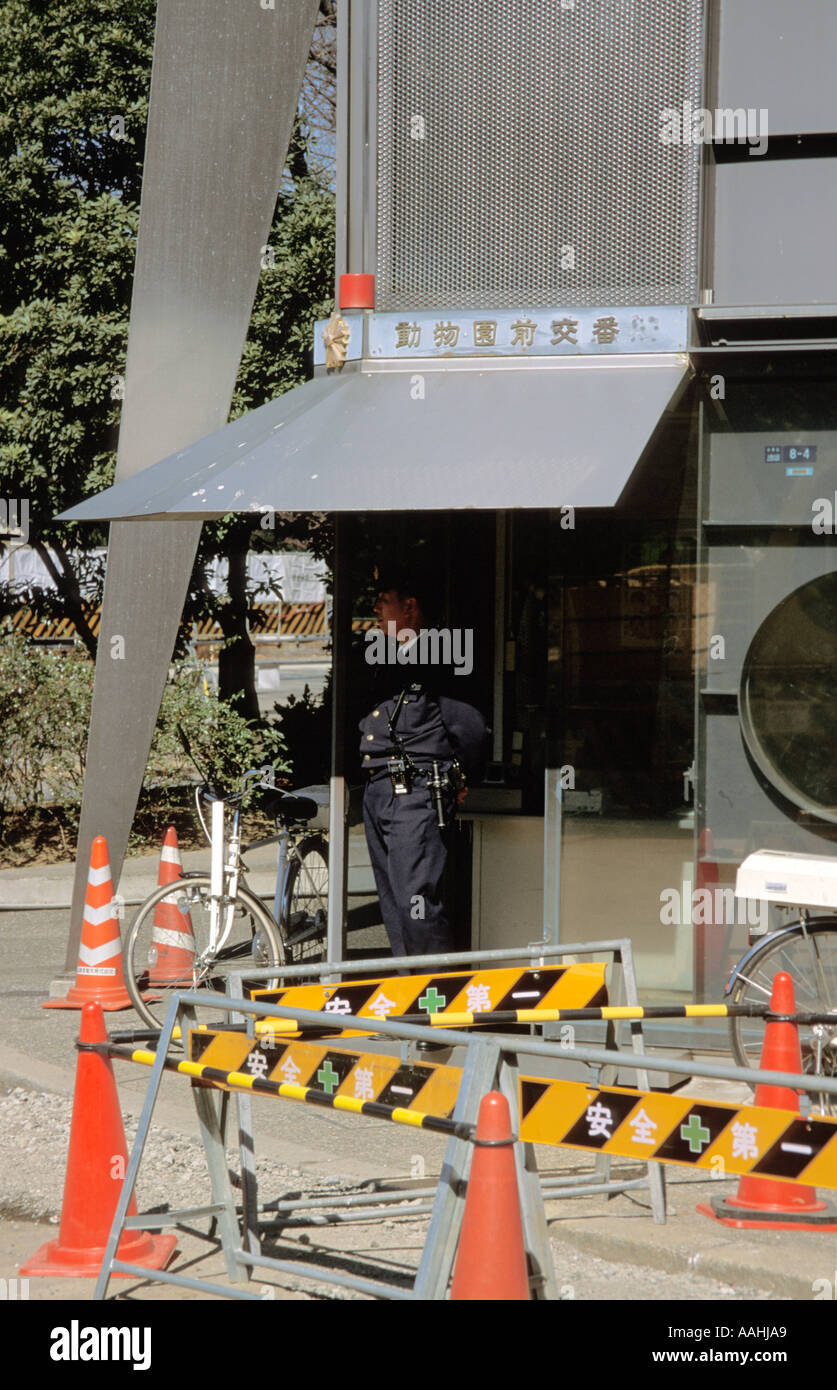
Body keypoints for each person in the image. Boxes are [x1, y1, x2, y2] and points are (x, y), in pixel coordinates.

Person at [359, 570, 488, 960]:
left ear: (410, 607)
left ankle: (436, 1003)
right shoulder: (386, 656)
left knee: (416, 904)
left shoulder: (440, 658)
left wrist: (460, 776)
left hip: (415, 793)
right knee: (395, 905)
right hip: (380, 790)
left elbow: (470, 727)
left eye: (385, 598)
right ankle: (409, 1002)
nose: (377, 607)